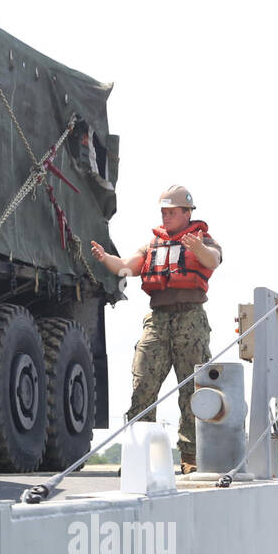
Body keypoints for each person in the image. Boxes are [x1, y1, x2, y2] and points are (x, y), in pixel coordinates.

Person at [90, 185, 223, 474]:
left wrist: (198, 247)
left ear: (187, 213)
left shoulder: (203, 239)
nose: (166, 216)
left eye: (172, 212)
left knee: (192, 388)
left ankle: (191, 456)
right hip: (158, 320)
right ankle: (139, 456)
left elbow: (213, 259)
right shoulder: (153, 244)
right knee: (143, 385)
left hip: (190, 318)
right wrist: (105, 259)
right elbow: (126, 266)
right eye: (163, 212)